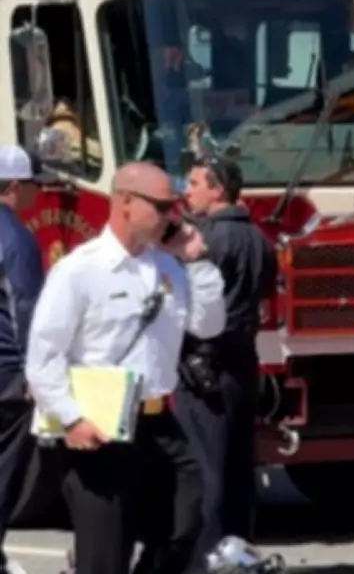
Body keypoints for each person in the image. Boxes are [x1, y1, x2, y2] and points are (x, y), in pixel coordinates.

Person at [24, 162, 227, 574]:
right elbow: (43, 358)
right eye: (163, 206)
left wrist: (199, 262)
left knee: (185, 524)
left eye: (175, 206)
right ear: (126, 203)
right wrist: (72, 419)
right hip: (99, 432)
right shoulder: (79, 270)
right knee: (104, 557)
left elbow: (209, 324)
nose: (172, 216)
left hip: (158, 423)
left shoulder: (169, 267)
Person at [175, 154, 274, 564]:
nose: (186, 191)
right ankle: (238, 554)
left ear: (217, 190)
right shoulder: (260, 241)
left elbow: (189, 301)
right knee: (238, 467)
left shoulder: (205, 240)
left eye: (194, 183)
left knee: (205, 466)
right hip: (242, 363)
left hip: (204, 365)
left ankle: (207, 557)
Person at [0, 146, 53, 574]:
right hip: (5, 374)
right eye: (36, 184)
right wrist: (36, 372)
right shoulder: (16, 237)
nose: (41, 192)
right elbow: (26, 309)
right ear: (15, 187)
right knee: (3, 474)